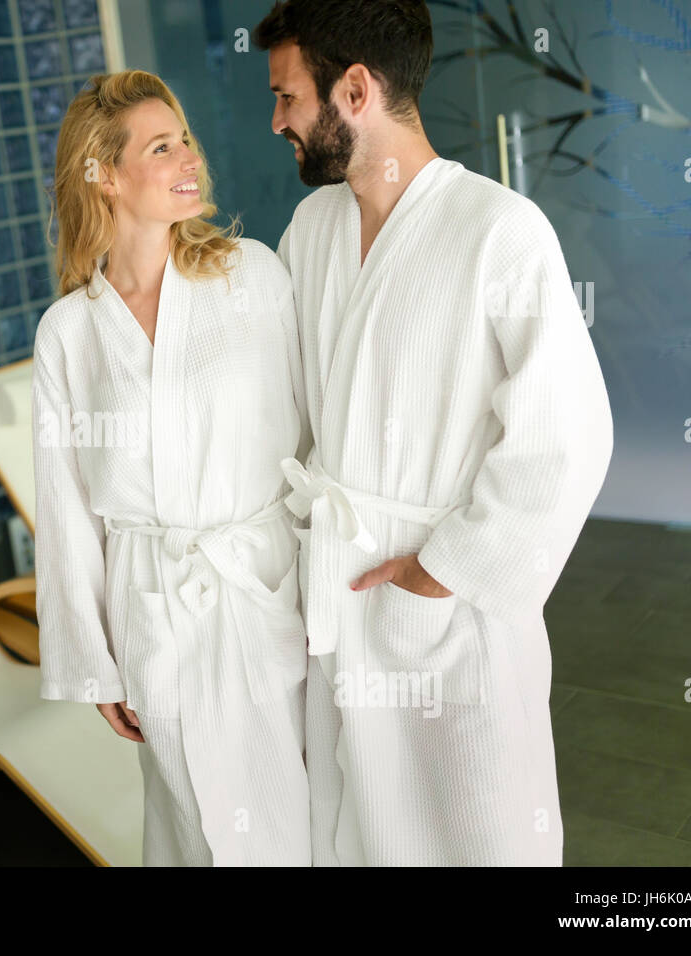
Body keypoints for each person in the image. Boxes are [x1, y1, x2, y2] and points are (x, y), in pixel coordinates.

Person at [255, 0, 613, 865]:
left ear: (353, 89)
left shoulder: (500, 232)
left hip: (446, 612)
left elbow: (567, 439)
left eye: (287, 97)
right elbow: (290, 413)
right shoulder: (313, 231)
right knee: (357, 831)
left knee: (476, 826)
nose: (276, 122)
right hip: (341, 594)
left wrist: (441, 570)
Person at [31, 69, 313, 866]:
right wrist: (93, 663)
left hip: (265, 588)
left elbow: (314, 429)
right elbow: (66, 512)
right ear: (103, 176)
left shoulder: (251, 274)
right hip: (154, 612)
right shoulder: (69, 334)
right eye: (162, 147)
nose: (190, 157)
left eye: (184, 137)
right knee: (200, 824)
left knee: (303, 818)